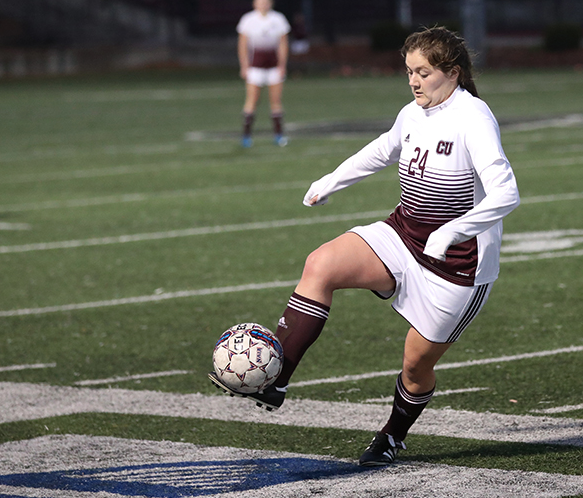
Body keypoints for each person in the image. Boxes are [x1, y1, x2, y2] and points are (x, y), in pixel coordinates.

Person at [210, 26, 520, 467]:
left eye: (423, 72)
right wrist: (331, 181)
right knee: (322, 264)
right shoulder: (413, 113)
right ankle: (275, 379)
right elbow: (382, 150)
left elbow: (506, 193)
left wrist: (453, 232)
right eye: (409, 71)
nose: (413, 81)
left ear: (452, 73)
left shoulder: (474, 117)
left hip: (458, 265)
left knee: (415, 366)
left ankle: (392, 435)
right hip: (403, 234)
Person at [236, 0, 291, 147]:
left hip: (273, 66)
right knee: (252, 100)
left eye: (266, 1)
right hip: (255, 66)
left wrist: (282, 65)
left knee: (276, 101)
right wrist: (244, 66)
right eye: (260, 1)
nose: (263, 4)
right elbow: (242, 45)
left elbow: (283, 44)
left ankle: (279, 135)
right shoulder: (248, 19)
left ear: (271, 3)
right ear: (254, 3)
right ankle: (246, 136)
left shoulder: (278, 19)